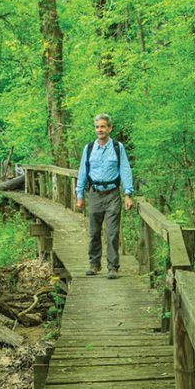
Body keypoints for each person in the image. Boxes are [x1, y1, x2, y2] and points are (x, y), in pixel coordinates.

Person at [74, 114, 133, 279]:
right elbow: (82, 172)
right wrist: (80, 195)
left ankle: (113, 267)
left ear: (109, 128)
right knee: (94, 232)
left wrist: (128, 194)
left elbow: (125, 170)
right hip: (95, 194)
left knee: (112, 233)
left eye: (102, 126)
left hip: (113, 194)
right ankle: (94, 264)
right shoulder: (89, 148)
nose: (99, 130)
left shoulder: (117, 147)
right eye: (97, 127)